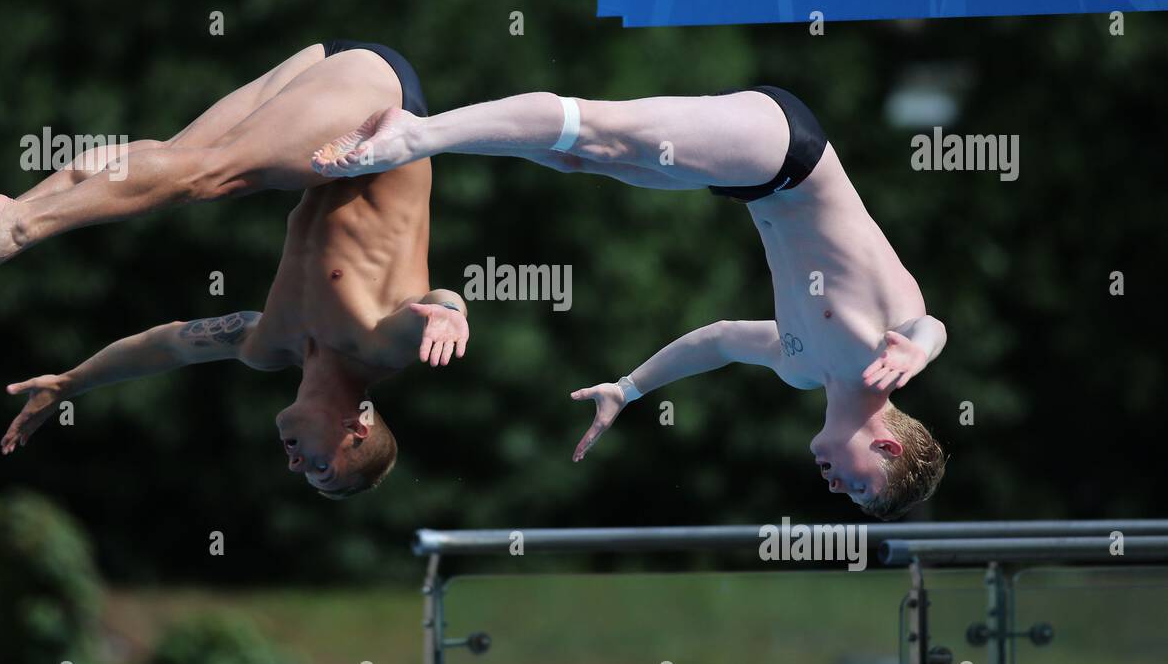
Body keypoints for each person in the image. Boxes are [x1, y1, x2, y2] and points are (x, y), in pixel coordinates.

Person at [312, 86, 946, 518]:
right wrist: (917, 352)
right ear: (887, 446)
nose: (836, 487)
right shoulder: (883, 349)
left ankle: (425, 136)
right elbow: (928, 320)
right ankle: (414, 135)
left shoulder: (804, 367)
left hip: (751, 183)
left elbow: (719, 340)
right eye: (858, 486)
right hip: (787, 152)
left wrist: (631, 387)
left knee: (574, 158)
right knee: (602, 132)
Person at [0, 40, 469, 498]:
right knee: (208, 177)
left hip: (331, 79)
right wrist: (451, 316)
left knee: (173, 158)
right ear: (357, 429)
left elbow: (168, 346)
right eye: (322, 470)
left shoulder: (268, 346)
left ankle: (7, 212)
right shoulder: (380, 347)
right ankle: (19, 226)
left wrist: (69, 383)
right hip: (381, 107)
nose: (298, 468)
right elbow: (434, 305)